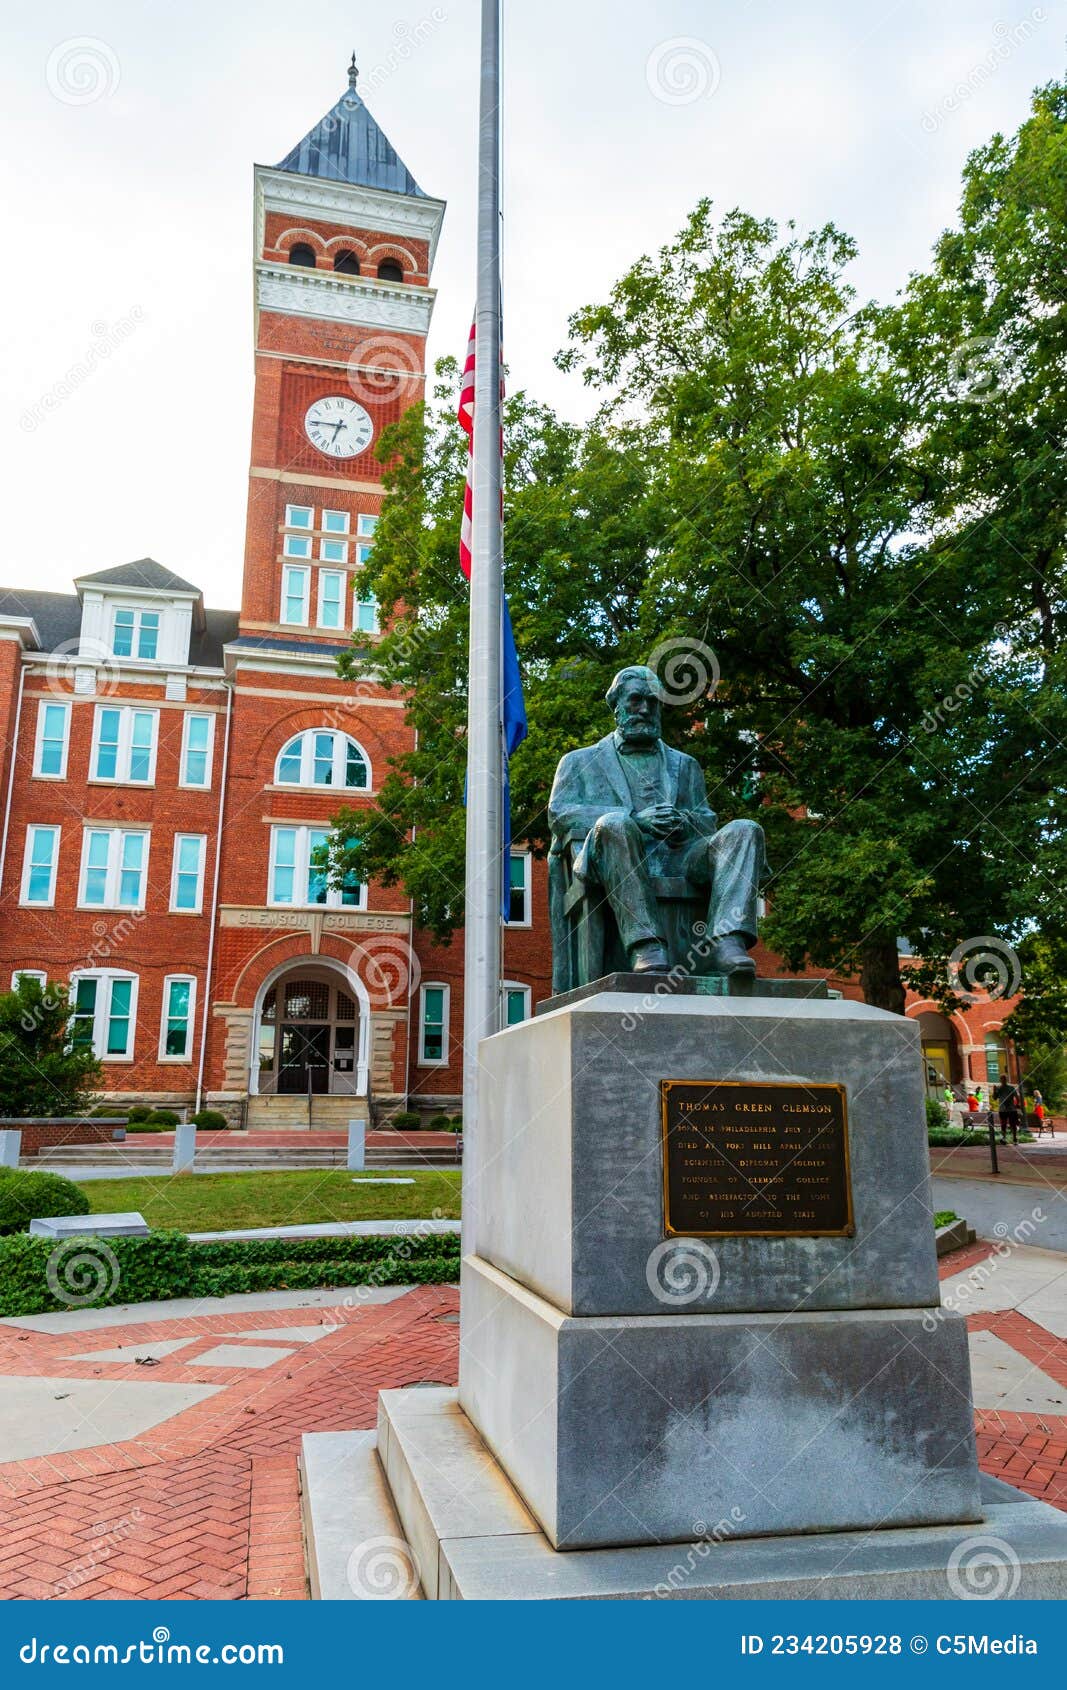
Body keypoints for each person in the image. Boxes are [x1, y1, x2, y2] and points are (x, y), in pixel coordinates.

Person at [548, 665, 768, 978]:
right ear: (617, 706)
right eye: (636, 700)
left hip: (682, 857)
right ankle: (646, 946)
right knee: (615, 823)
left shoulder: (685, 765)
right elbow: (559, 814)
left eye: (653, 702)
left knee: (745, 830)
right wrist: (637, 820)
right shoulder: (579, 761)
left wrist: (683, 823)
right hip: (609, 858)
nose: (645, 709)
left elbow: (706, 820)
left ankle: (728, 940)